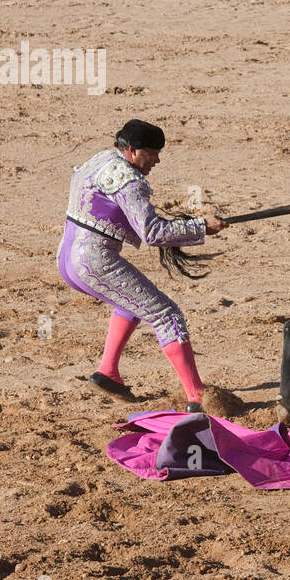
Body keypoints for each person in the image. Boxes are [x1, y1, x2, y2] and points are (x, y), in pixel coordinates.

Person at [58, 120, 227, 411]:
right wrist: (201, 227)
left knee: (130, 303)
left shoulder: (101, 159)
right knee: (166, 314)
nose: (157, 159)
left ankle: (108, 372)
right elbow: (153, 233)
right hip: (95, 261)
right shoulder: (129, 180)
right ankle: (197, 396)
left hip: (67, 259)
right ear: (133, 151)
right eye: (153, 152)